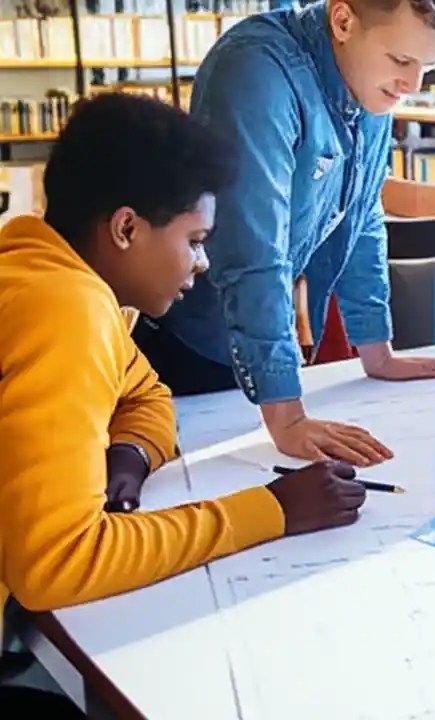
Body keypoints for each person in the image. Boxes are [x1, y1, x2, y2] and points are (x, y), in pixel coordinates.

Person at [0, 94, 368, 715]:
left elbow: (146, 393)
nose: (201, 265)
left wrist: (130, 453)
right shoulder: (66, 307)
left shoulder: (44, 269)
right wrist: (273, 508)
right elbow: (57, 564)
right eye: (195, 240)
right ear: (125, 228)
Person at [134, 0, 435, 468]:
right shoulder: (254, 72)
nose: (413, 85)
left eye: (426, 67)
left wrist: (376, 350)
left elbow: (361, 214)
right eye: (401, 61)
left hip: (266, 355)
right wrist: (286, 413)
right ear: (343, 21)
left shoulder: (369, 79)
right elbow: (254, 248)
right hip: (190, 354)